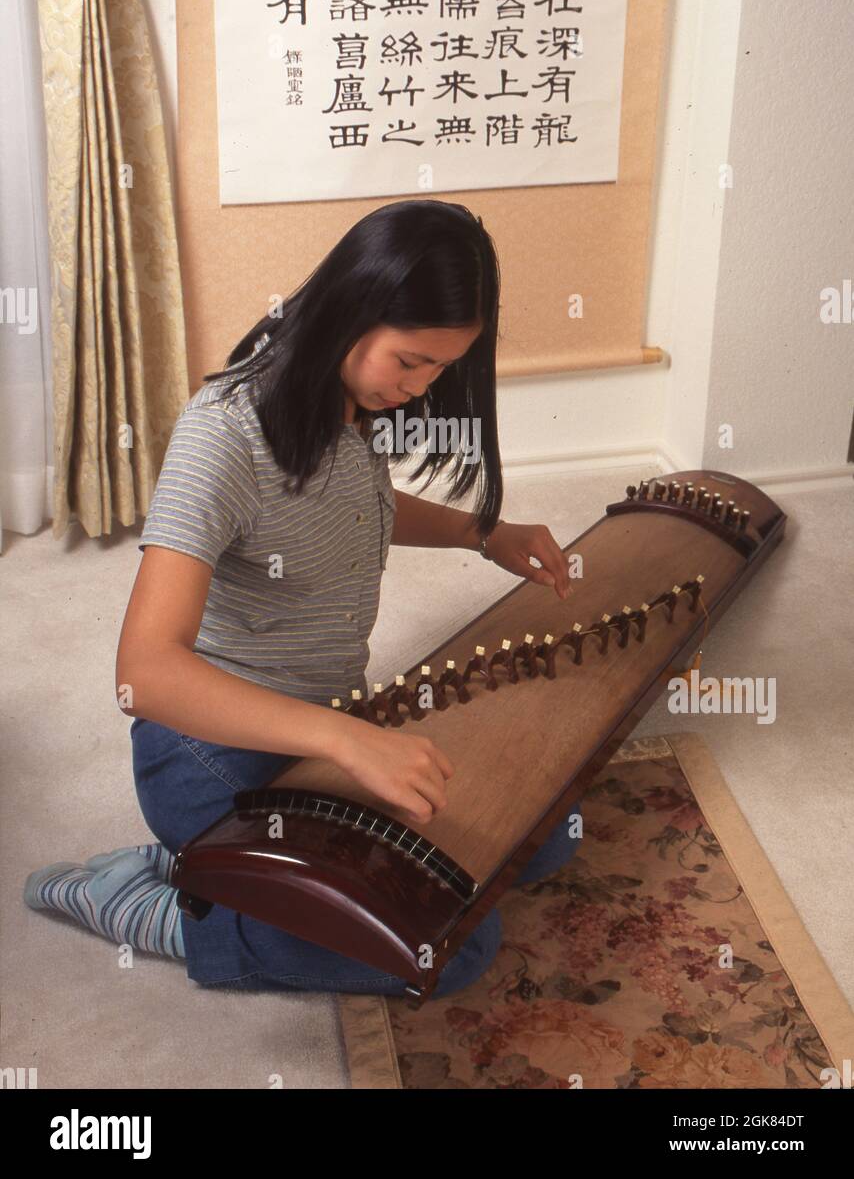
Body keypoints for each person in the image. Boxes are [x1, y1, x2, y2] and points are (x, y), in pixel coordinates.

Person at [24, 199, 582, 997]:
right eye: (413, 361)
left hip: (315, 726)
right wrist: (345, 741)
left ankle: (210, 864)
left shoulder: (350, 404)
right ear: (356, 309)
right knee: (453, 947)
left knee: (544, 832)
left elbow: (359, 511)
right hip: (208, 755)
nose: (424, 387)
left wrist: (483, 532)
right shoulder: (222, 436)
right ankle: (172, 917)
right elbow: (142, 673)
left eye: (440, 368)